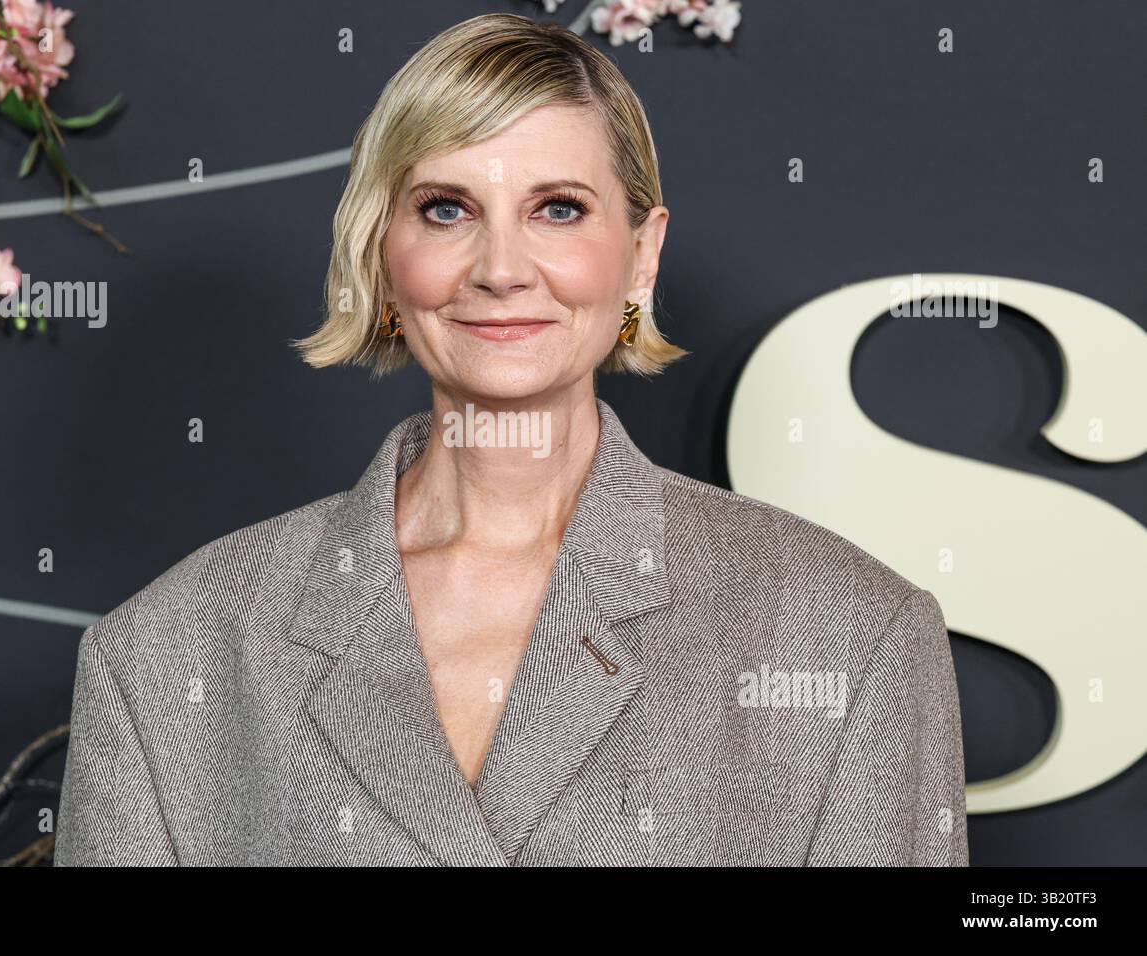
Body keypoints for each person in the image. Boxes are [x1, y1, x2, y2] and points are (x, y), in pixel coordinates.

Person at [55, 13, 967, 866]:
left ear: (641, 255)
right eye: (447, 209)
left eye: (558, 208)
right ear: (380, 250)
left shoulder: (848, 635)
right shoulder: (168, 656)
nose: (499, 270)